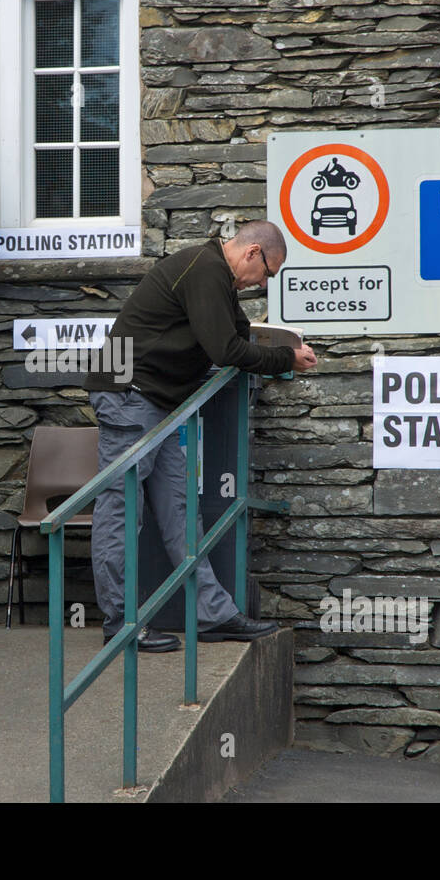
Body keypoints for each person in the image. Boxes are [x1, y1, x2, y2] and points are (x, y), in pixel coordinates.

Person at [83, 220, 319, 652]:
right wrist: (284, 356)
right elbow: (225, 350)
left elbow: (241, 332)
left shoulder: (217, 276)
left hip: (156, 402)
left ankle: (214, 614)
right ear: (252, 253)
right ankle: (121, 623)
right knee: (122, 510)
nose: (264, 283)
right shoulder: (204, 268)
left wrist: (281, 346)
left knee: (179, 507)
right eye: (269, 273)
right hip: (128, 394)